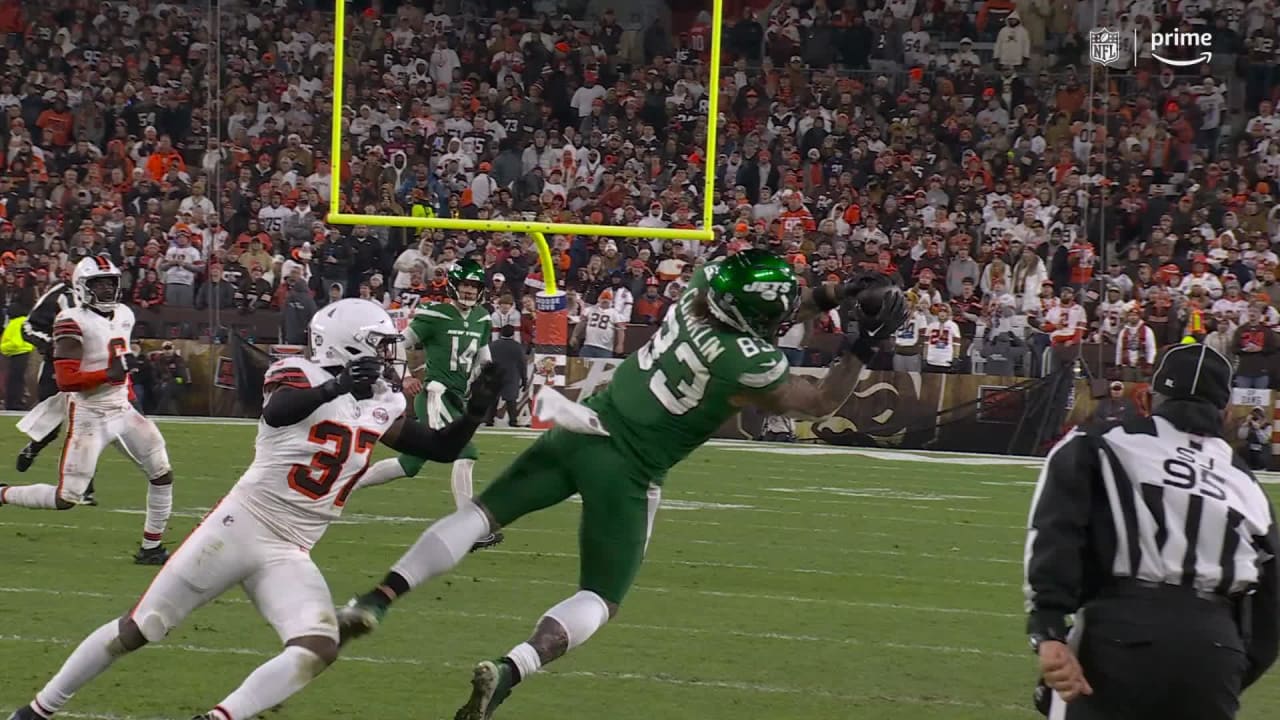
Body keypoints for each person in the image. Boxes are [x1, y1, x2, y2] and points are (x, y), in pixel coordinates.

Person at [336, 250, 908, 720]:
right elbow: (820, 400)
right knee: (600, 596)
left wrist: (836, 293)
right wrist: (861, 343)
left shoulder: (698, 293)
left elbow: (765, 303)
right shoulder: (749, 362)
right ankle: (510, 670)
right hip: (629, 471)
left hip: (580, 427)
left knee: (479, 514)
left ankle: (376, 599)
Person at [4, 299, 504, 720]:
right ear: (348, 345)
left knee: (318, 646)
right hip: (241, 525)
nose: (390, 353)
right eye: (380, 343)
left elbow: (439, 447)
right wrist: (336, 386)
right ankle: (37, 710)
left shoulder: (382, 401)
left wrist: (476, 411)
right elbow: (278, 410)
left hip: (292, 548)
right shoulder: (299, 373)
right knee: (142, 626)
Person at [1024, 342, 1279, 720]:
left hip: (1121, 630)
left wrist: (1048, 629)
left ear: (1148, 397)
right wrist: (1228, 666)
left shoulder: (1102, 443)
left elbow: (1056, 531)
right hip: (1215, 648)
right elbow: (1271, 603)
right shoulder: (1245, 483)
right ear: (1224, 412)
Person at [0, 257, 172, 564]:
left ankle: (151, 548)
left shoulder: (125, 313)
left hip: (122, 409)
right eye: (98, 283)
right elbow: (67, 381)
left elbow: (119, 361)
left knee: (161, 473)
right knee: (67, 497)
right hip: (90, 415)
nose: (107, 289)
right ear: (82, 286)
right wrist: (110, 373)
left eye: (111, 282)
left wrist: (128, 379)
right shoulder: (71, 320)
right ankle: (2, 494)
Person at [358, 259, 502, 551]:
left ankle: (348, 482)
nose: (469, 291)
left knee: (410, 463)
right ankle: (468, 529)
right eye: (464, 284)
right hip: (437, 394)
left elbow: (483, 355)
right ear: (453, 286)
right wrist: (406, 376)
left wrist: (486, 378)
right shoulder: (436, 314)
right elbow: (398, 342)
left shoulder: (482, 318)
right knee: (465, 450)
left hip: (457, 397)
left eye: (474, 286)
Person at [14, 276, 96, 504]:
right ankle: (34, 447)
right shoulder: (61, 293)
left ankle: (83, 487)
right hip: (58, 368)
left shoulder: (105, 300)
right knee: (52, 427)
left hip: (89, 369)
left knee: (84, 426)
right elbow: (28, 327)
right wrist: (53, 346)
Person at [486, 325, 526, 427]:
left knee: (493, 399)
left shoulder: (492, 345)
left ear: (501, 333)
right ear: (513, 334)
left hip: (495, 375)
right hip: (511, 376)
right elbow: (522, 364)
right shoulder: (517, 347)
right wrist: (524, 379)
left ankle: (489, 420)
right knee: (511, 400)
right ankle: (513, 421)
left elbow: (486, 361)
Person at [571, 289, 621, 358]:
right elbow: (581, 323)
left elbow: (620, 329)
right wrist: (574, 336)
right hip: (588, 345)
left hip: (605, 348)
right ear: (599, 299)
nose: (604, 301)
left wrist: (620, 344)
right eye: (603, 299)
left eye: (607, 300)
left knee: (603, 365)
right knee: (583, 363)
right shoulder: (589, 310)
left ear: (611, 301)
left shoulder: (614, 313)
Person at [1238, 406, 1271, 471]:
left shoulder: (1267, 426)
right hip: (1249, 459)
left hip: (1262, 458)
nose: (1256, 417)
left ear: (1263, 417)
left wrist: (1258, 429)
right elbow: (1241, 436)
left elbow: (1264, 440)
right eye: (1254, 415)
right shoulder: (1248, 425)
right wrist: (1246, 425)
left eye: (1259, 415)